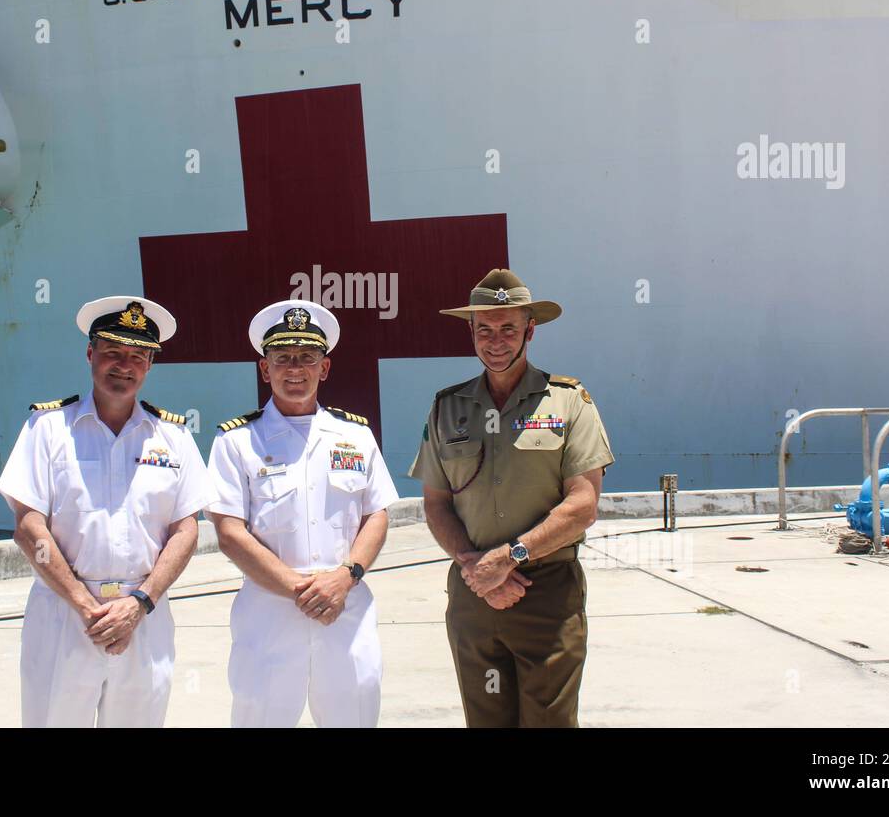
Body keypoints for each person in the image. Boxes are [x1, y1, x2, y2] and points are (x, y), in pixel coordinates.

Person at [408, 269, 614, 727]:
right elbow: (436, 503)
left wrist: (511, 556)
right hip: (473, 595)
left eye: (507, 329)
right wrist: (474, 566)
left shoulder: (568, 402)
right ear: (472, 332)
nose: (495, 341)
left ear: (529, 330)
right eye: (484, 329)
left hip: (546, 594)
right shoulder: (448, 407)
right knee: (484, 720)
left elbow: (582, 505)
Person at [0, 295, 214, 727]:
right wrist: (83, 604)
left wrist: (138, 603)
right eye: (113, 352)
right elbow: (27, 525)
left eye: (137, 356)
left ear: (150, 364)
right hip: (62, 615)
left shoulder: (173, 436)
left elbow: (186, 528)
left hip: (143, 615)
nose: (124, 365)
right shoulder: (47, 429)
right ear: (90, 353)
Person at [207, 300, 398, 727]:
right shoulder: (237, 442)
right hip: (269, 615)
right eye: (283, 358)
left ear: (324, 368)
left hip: (345, 609)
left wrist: (343, 578)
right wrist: (301, 589)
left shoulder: (355, 434)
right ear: (265, 368)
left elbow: (377, 515)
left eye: (307, 358)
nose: (296, 369)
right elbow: (229, 532)